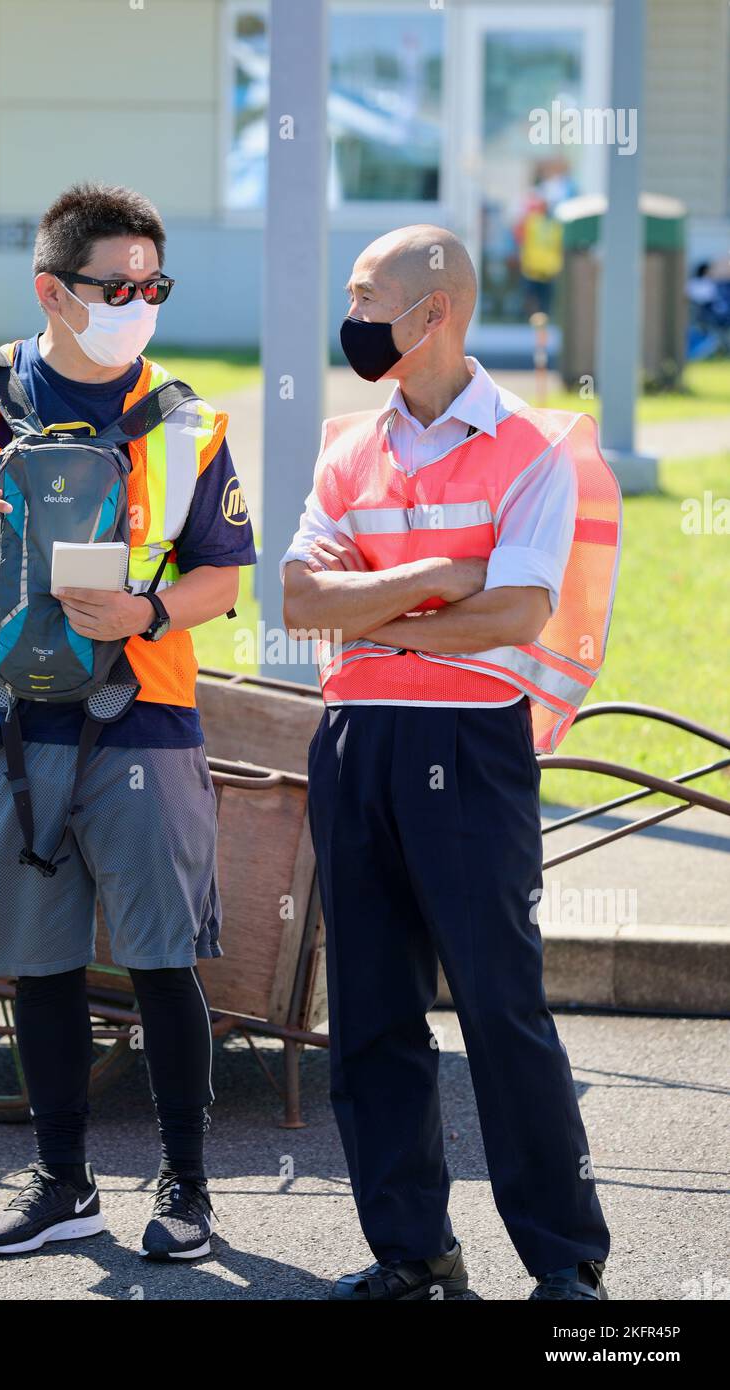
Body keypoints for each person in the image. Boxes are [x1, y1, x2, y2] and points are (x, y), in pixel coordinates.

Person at [0, 182, 256, 1260]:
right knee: (39, 965)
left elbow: (224, 580)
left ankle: (186, 1188)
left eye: (152, 285)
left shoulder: (183, 420)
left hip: (146, 721)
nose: (139, 301)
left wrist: (144, 610)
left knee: (163, 960)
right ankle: (63, 1184)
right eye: (116, 285)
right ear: (52, 289)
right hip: (11, 721)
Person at [281, 224, 615, 1302]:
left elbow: (517, 609)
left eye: (367, 295)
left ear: (435, 313)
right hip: (354, 744)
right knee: (370, 1009)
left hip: (467, 744)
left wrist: (376, 614)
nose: (351, 314)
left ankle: (567, 1265)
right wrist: (438, 580)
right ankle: (412, 1255)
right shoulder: (345, 446)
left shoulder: (533, 447)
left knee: (499, 1004)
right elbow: (297, 601)